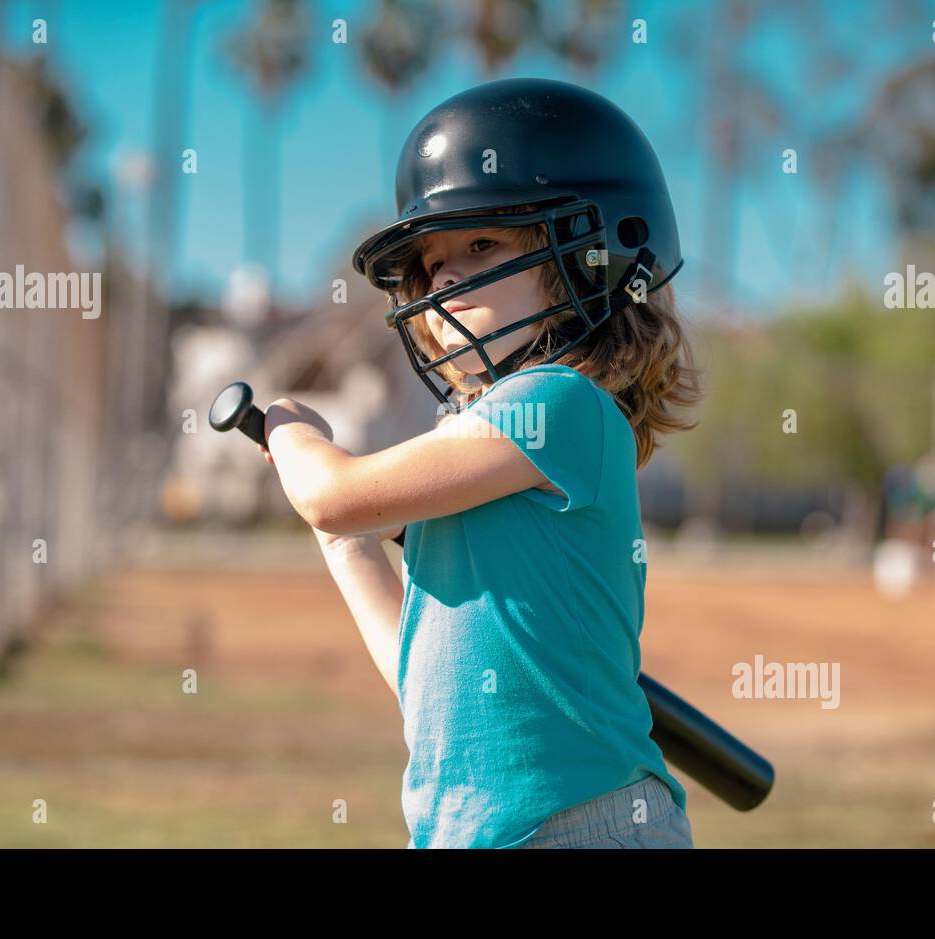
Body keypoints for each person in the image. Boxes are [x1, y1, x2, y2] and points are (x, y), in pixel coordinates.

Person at [258, 78, 703, 848]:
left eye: (482, 245)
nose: (447, 278)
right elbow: (426, 682)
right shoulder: (481, 441)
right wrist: (345, 544)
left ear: (587, 259)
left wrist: (289, 426)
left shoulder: (559, 407)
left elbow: (330, 492)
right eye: (431, 263)